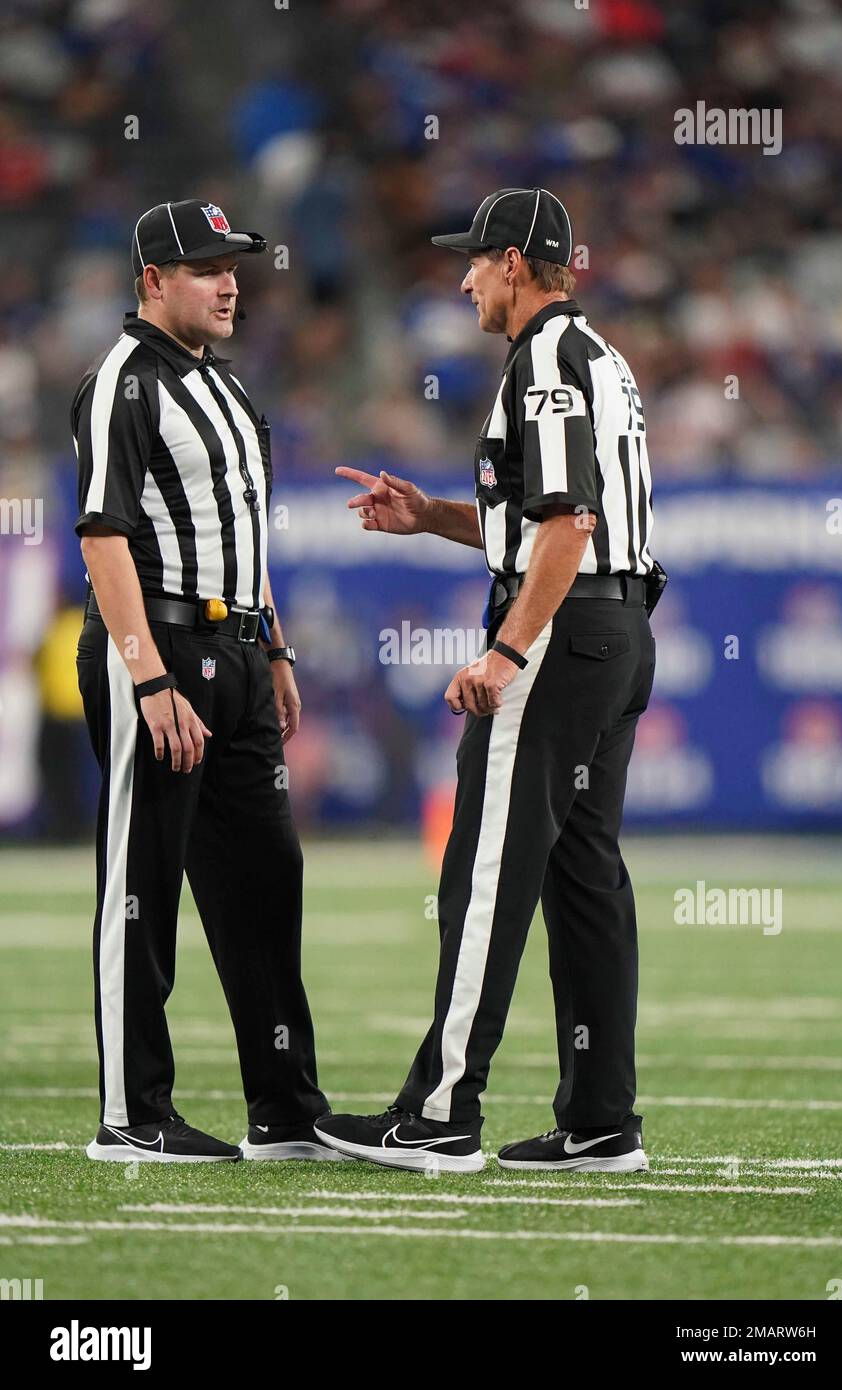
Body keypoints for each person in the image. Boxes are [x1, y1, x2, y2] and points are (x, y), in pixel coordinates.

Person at [318, 188, 658, 1174]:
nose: (462, 277)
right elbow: (554, 517)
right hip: (615, 628)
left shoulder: (546, 359)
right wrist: (431, 515)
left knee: (486, 867)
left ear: (515, 262)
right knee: (581, 874)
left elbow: (565, 526)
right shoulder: (599, 357)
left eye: (472, 259)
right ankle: (600, 1120)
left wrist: (506, 650)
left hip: (561, 633)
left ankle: (438, 1113)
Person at [73, 199, 342, 1163]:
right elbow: (102, 536)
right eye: (204, 268)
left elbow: (246, 536)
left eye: (233, 265)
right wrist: (148, 679)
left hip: (234, 654)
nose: (229, 282)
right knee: (140, 891)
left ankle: (284, 1109)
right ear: (152, 280)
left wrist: (272, 646)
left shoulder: (226, 388)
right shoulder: (121, 385)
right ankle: (130, 1114)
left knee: (266, 883)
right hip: (159, 647)